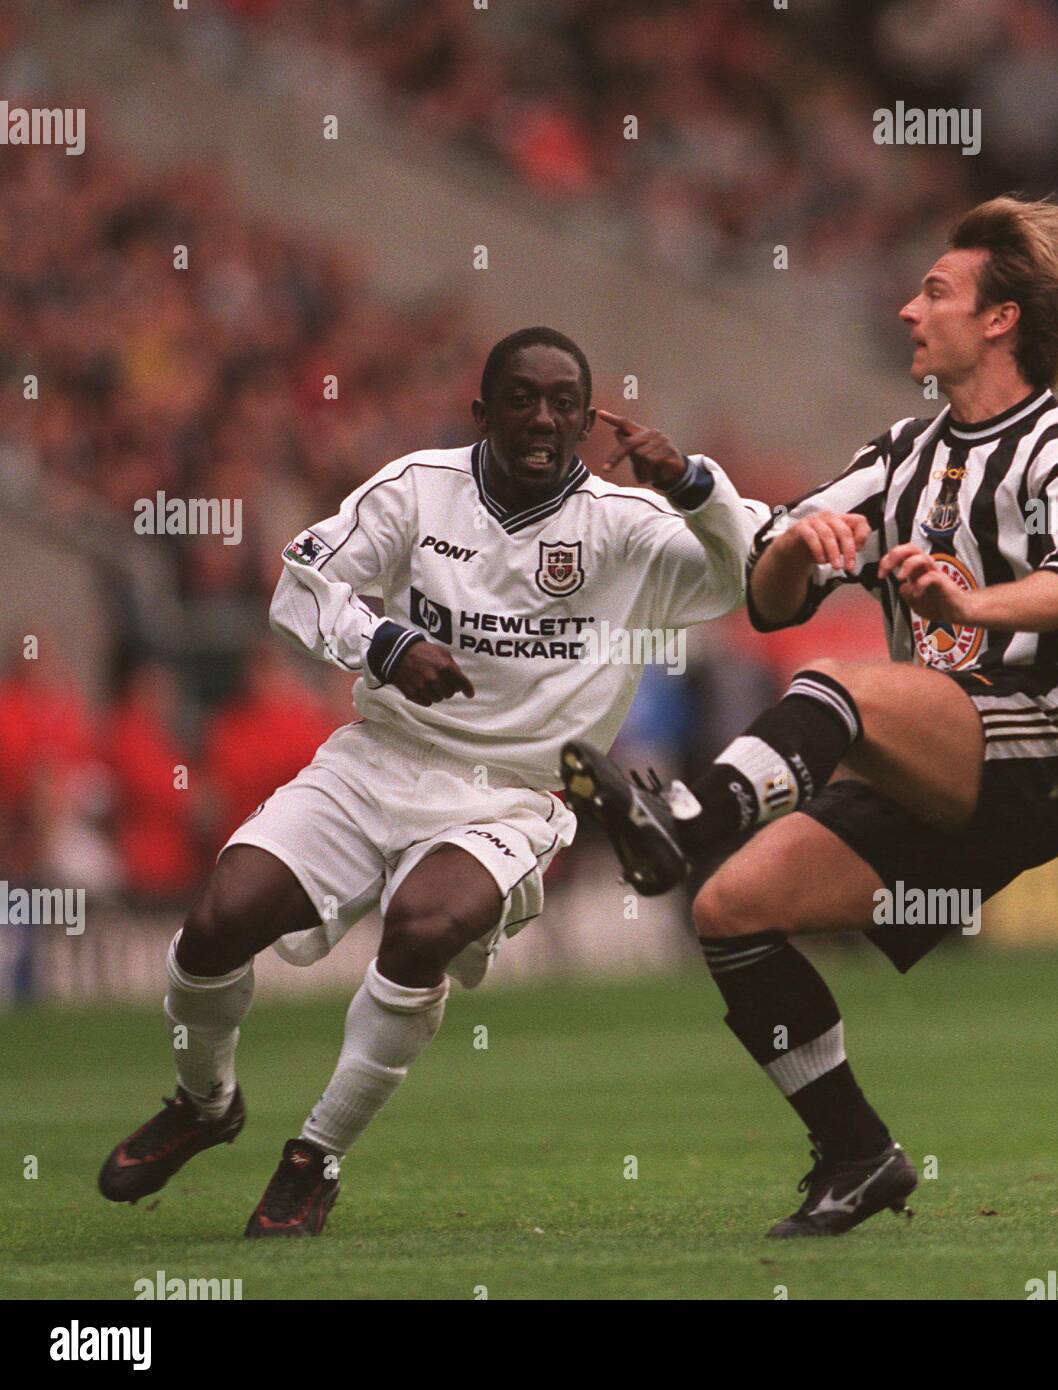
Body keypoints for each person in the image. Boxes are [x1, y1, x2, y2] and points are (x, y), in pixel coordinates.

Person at [98, 326, 767, 1236]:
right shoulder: (416, 489)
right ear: (481, 412)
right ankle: (203, 1102)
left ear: (586, 417)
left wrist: (693, 485)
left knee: (421, 927)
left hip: (515, 791)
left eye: (563, 403)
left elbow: (746, 574)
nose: (542, 418)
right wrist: (386, 641)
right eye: (521, 399)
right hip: (380, 759)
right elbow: (298, 588)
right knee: (219, 919)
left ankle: (315, 1157)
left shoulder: (626, 526)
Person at [561, 198, 1058, 1239]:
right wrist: (799, 541)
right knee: (732, 910)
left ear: (1000, 319)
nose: (908, 308)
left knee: (846, 683)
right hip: (933, 763)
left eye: (935, 290)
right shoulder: (902, 452)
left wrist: (969, 604)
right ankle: (856, 1153)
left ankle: (685, 822)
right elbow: (771, 590)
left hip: (1046, 740)